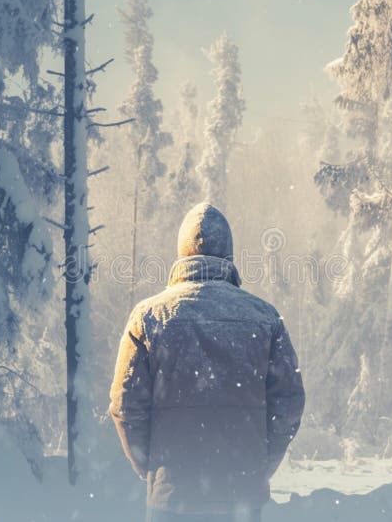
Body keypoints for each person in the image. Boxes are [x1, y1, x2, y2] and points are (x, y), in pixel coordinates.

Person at [109, 203, 305, 522]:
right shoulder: (265, 318)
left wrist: (151, 467)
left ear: (182, 254)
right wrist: (260, 465)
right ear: (228, 254)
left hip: (172, 500)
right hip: (241, 496)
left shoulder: (148, 317)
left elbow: (125, 405)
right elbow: (290, 402)